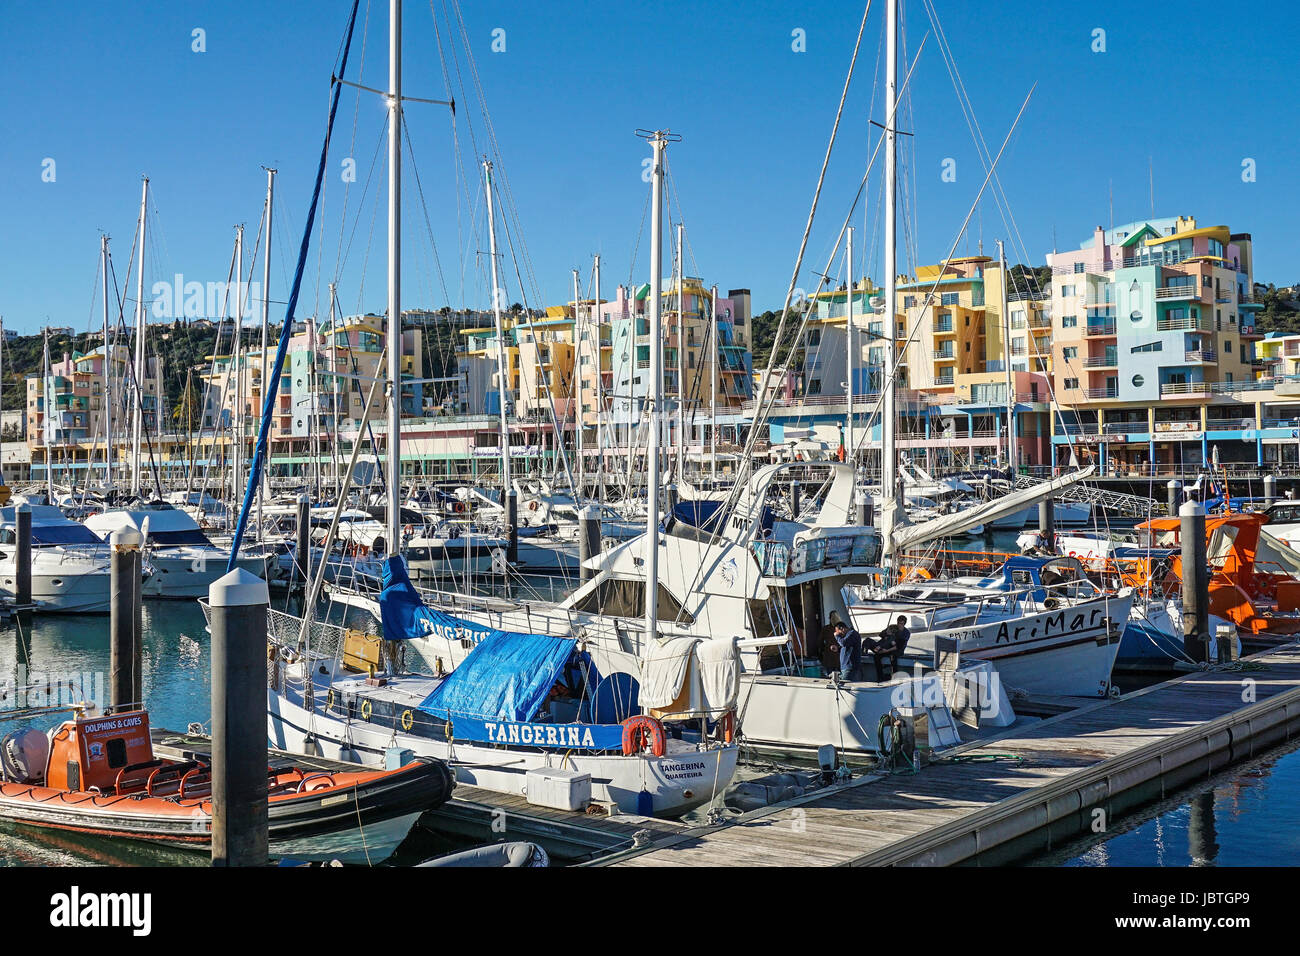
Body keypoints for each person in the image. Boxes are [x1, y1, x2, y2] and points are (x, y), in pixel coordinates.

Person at [871, 615, 912, 681]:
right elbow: (881, 634)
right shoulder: (894, 627)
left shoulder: (906, 633)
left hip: (898, 650)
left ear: (904, 624)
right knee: (876, 656)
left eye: (901, 623)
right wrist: (886, 635)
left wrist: (886, 651)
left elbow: (899, 646)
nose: (899, 625)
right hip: (889, 648)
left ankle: (894, 676)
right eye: (898, 623)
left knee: (893, 656)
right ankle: (880, 676)